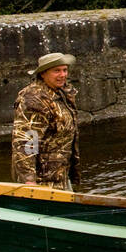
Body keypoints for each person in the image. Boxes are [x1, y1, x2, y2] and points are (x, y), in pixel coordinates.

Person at [11, 52, 81, 190]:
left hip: (60, 173)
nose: (63, 75)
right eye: (57, 71)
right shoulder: (34, 100)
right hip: (42, 178)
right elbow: (26, 141)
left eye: (65, 70)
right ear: (43, 74)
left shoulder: (61, 93)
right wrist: (29, 180)